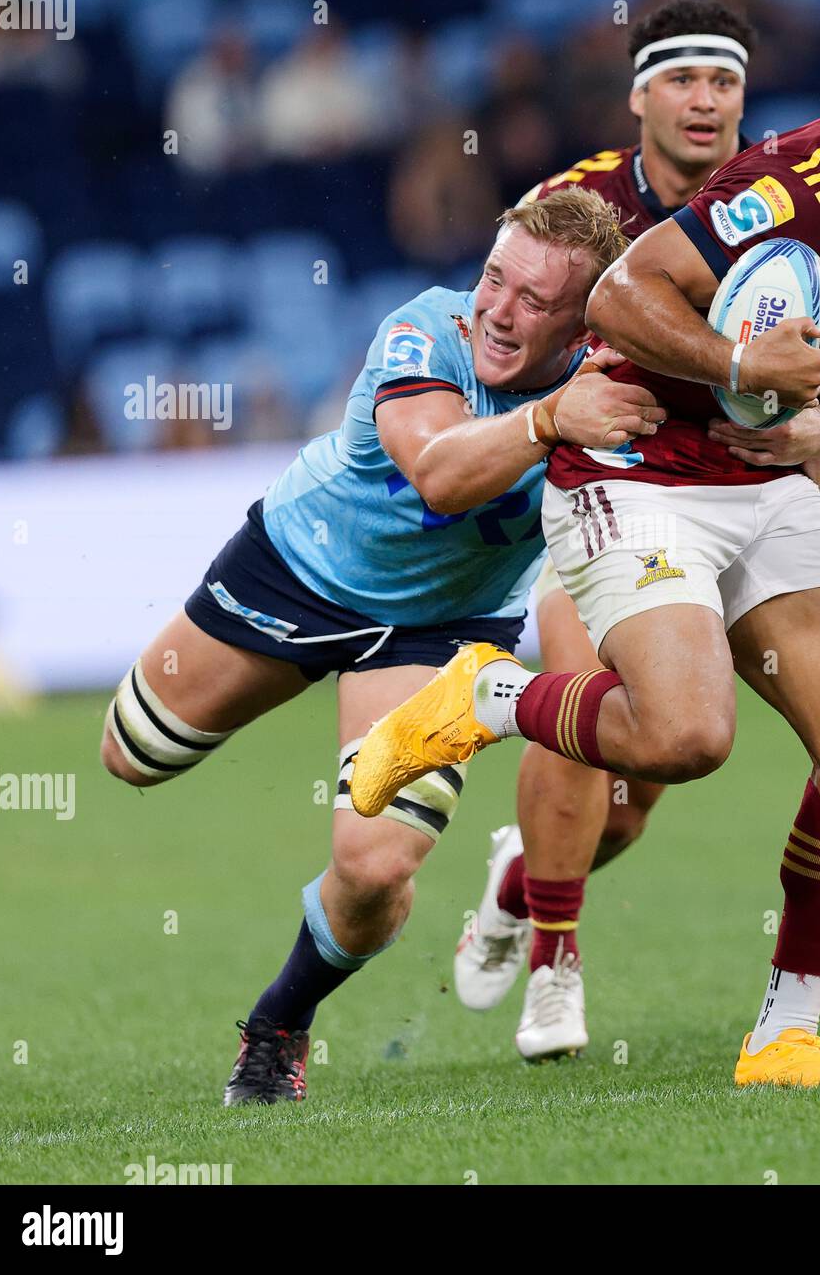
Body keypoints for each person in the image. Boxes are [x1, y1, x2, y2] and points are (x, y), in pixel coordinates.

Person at [351, 0, 820, 1088]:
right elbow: (622, 293)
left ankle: (781, 1039)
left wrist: (799, 406)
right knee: (684, 736)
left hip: (752, 481)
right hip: (636, 472)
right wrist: (733, 366)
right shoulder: (800, 182)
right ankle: (477, 699)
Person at [98, 188, 660, 1103]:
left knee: (373, 872)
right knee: (131, 757)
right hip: (296, 570)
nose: (498, 310)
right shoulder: (424, 331)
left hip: (441, 633)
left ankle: (280, 1021)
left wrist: (788, 418)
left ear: (580, 326)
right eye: (493, 279)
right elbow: (440, 475)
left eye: (533, 301)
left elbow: (731, 433)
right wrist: (553, 420)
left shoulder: (616, 378)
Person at [454, 0, 820, 1064]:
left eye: (724, 81)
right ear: (639, 93)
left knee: (638, 792)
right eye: (682, 79)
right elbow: (498, 343)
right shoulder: (574, 203)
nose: (705, 101)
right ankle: (556, 967)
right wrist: (552, 414)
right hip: (594, 482)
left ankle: (519, 879)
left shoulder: (791, 194)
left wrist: (802, 418)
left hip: (729, 495)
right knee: (606, 710)